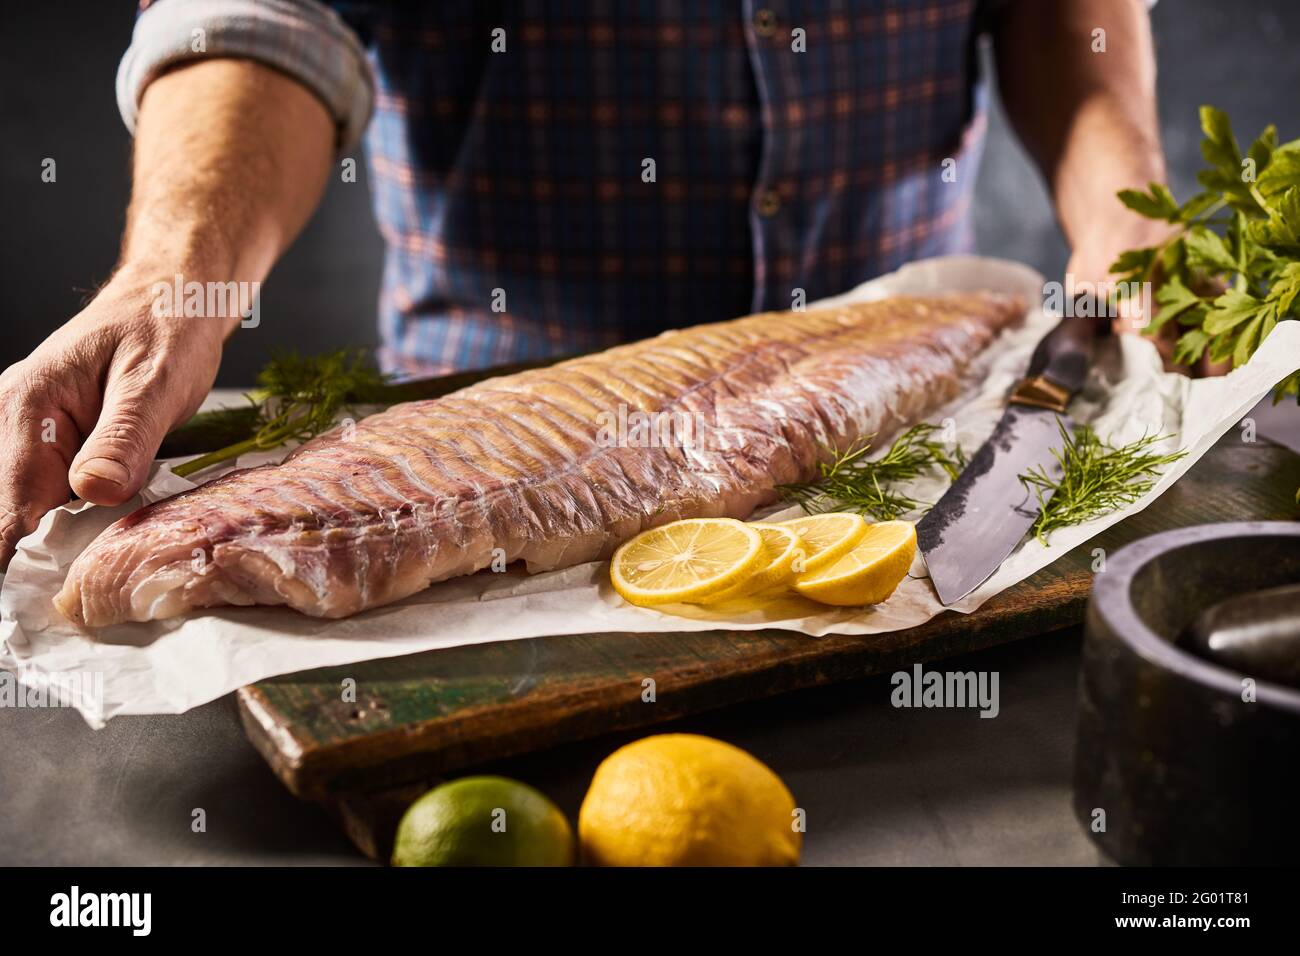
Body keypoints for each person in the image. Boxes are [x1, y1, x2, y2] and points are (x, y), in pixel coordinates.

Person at [0, 0, 1169, 568]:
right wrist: (177, 278)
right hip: (486, 400)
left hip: (909, 384)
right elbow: (267, 16)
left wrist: (1126, 213)